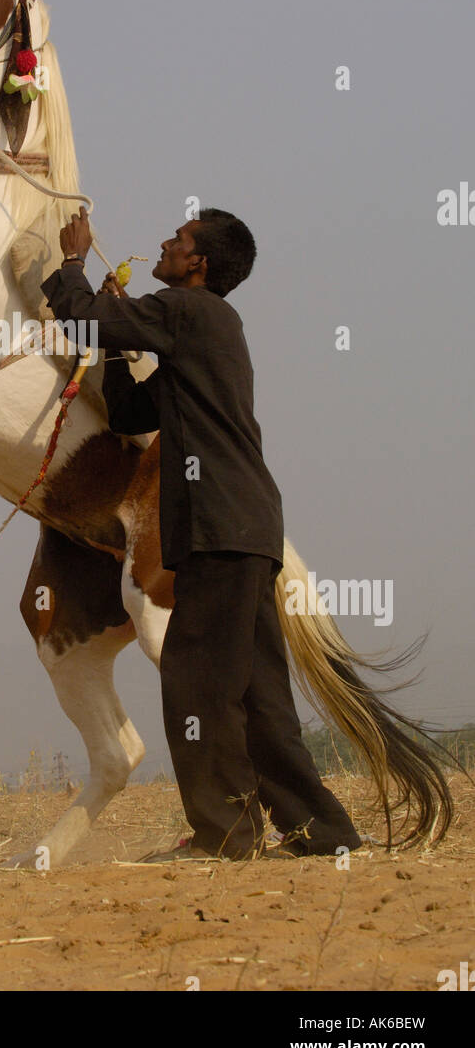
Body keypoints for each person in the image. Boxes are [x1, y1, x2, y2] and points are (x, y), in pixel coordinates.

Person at [40, 206, 361, 861]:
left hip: (219, 525)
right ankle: (317, 830)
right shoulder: (197, 330)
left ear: (198, 264)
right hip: (244, 525)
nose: (165, 243)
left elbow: (80, 317)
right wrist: (115, 338)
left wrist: (71, 263)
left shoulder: (188, 312)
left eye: (178, 240)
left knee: (196, 682)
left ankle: (223, 834)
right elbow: (133, 405)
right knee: (257, 692)